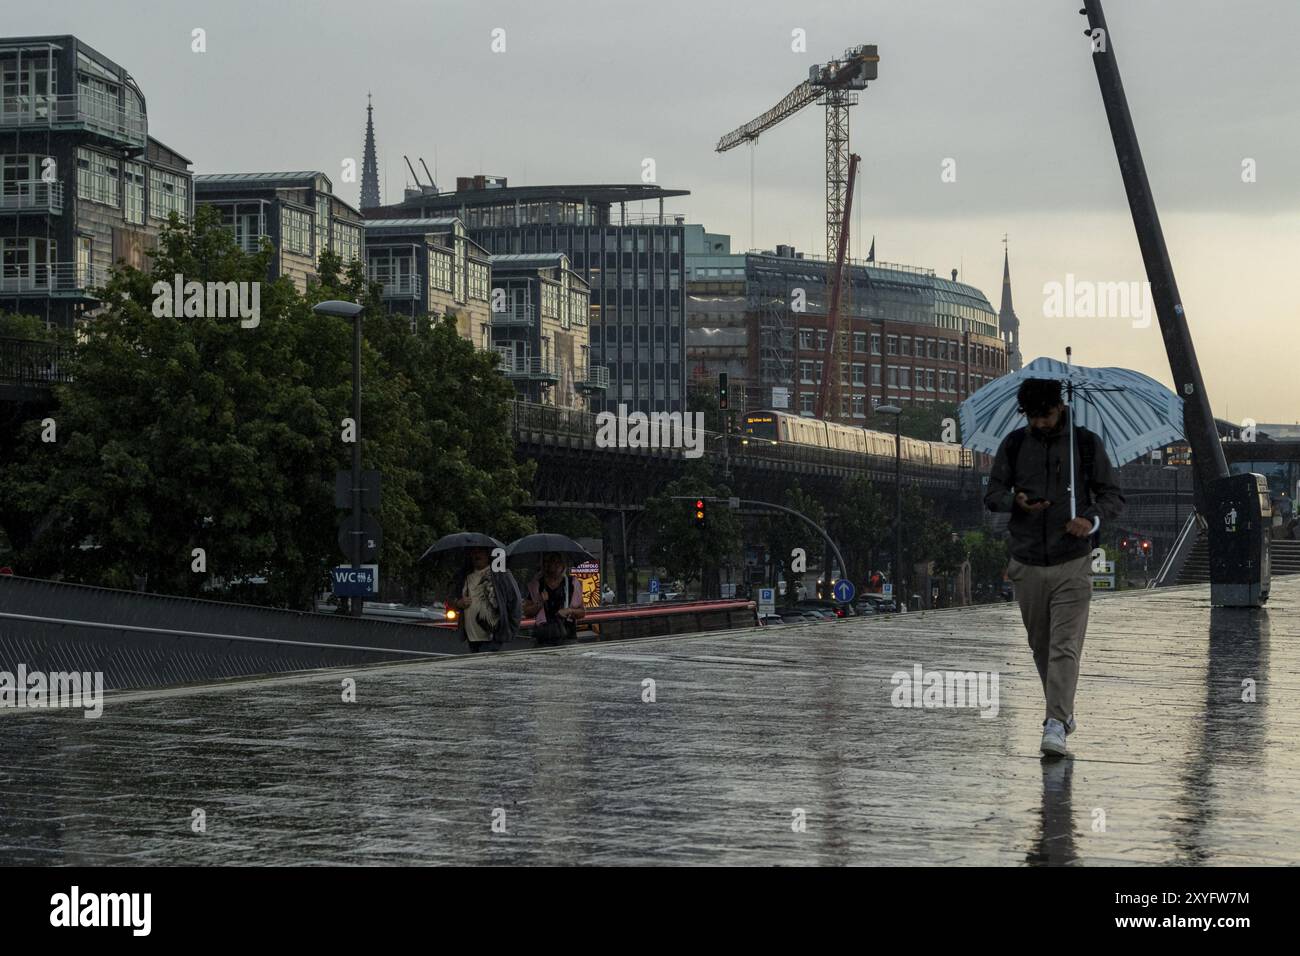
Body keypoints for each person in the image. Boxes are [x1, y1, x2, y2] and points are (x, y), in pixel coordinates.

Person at [984, 378, 1125, 757]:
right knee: (1041, 647)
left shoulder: (1085, 445)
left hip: (1072, 561)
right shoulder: (1014, 445)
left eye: (1045, 415)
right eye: (1032, 417)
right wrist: (1016, 502)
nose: (1040, 423)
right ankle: (1063, 712)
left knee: (1065, 646)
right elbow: (992, 493)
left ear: (1059, 407)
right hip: (1027, 563)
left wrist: (1090, 520)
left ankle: (1054, 725)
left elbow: (1113, 496)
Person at [451, 547, 522, 653]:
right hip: (472, 637)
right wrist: (458, 603)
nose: (477, 555)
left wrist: (510, 630)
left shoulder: (501, 574)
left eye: (480, 552)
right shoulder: (465, 576)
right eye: (474, 552)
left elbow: (515, 602)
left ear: (488, 555)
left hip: (492, 637)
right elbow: (450, 598)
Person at [522, 552, 586, 647]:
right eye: (547, 562)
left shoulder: (572, 583)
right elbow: (527, 612)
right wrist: (540, 603)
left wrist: (569, 610)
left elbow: (582, 612)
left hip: (567, 636)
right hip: (543, 638)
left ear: (562, 564)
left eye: (555, 562)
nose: (551, 565)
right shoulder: (537, 585)